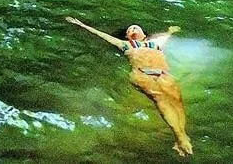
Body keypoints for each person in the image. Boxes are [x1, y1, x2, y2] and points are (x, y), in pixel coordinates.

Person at [66, 17, 193, 157]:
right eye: (130, 29)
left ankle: (183, 135)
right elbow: (101, 34)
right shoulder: (124, 44)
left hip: (164, 75)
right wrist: (81, 24)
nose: (133, 29)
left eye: (136, 27)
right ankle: (179, 137)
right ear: (127, 36)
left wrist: (171, 31)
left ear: (144, 34)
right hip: (143, 75)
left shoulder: (155, 42)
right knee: (161, 99)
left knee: (177, 102)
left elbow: (166, 35)